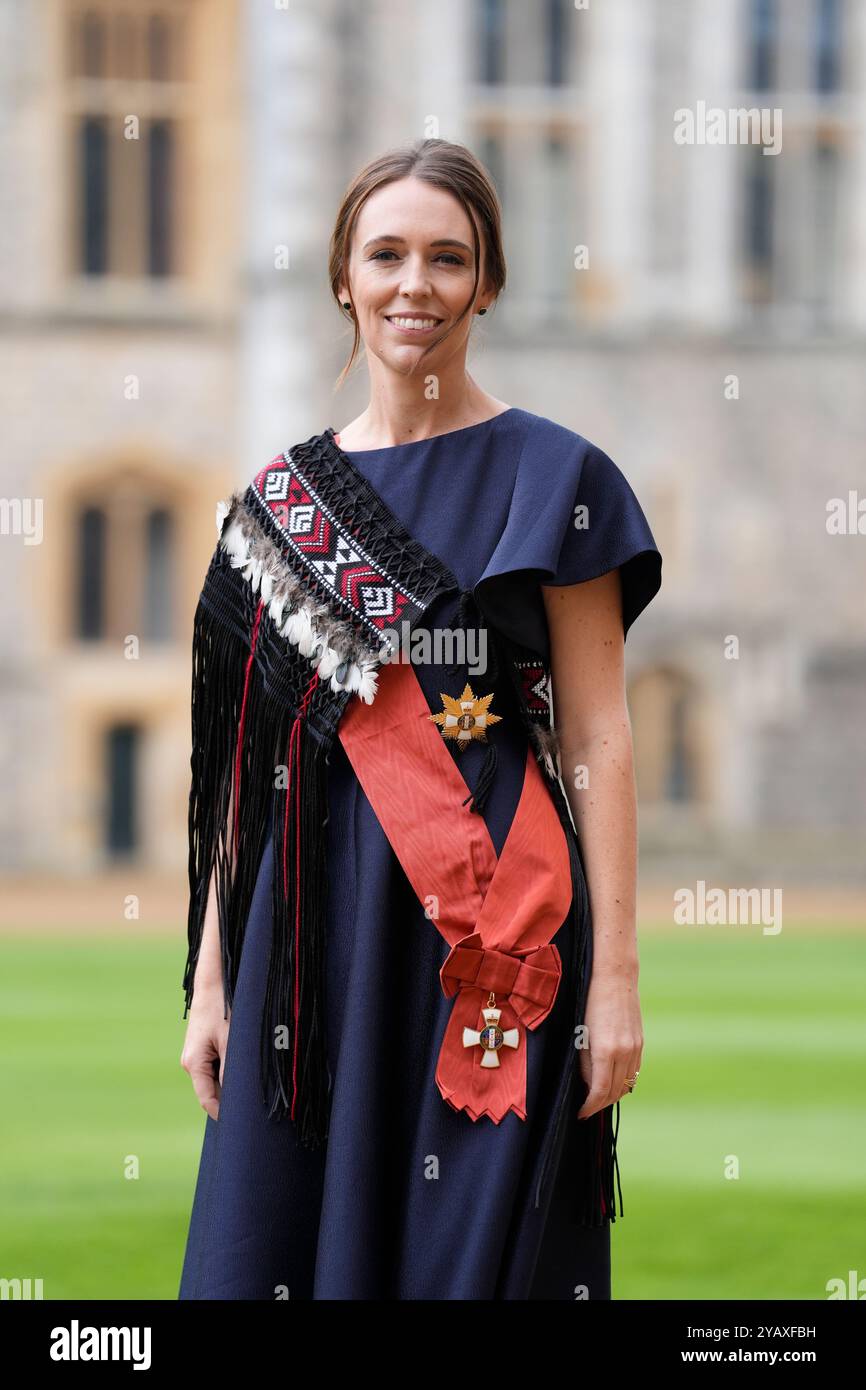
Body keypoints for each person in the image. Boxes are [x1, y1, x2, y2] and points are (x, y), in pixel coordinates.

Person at [177, 138, 662, 1301]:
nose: (415, 285)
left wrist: (615, 984)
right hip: (309, 936)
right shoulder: (276, 505)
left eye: (447, 259)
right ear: (341, 275)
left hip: (491, 935)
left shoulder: (558, 478)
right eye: (385, 254)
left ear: (486, 282)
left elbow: (596, 739)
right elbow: (249, 770)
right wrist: (211, 980)